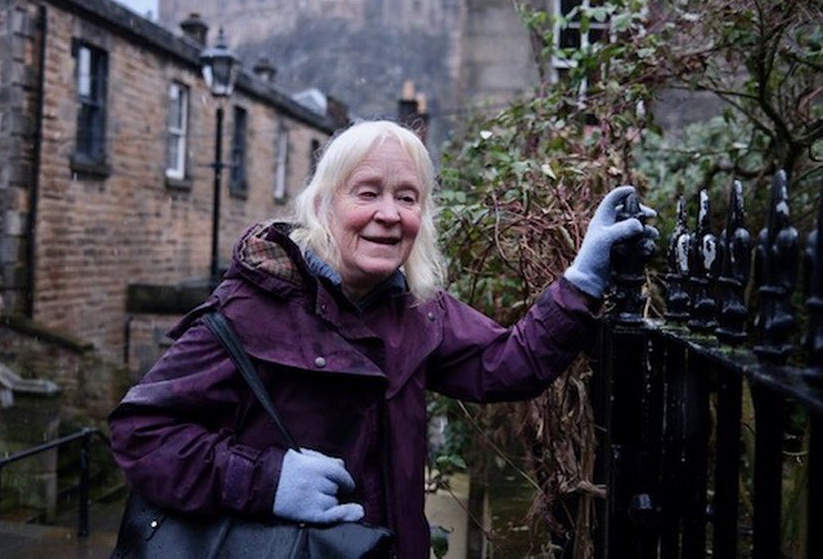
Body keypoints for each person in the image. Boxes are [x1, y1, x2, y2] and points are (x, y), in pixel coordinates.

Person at [109, 120, 655, 558]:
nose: (389, 215)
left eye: (408, 198)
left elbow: (510, 364)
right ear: (324, 205)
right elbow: (142, 434)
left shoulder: (417, 310)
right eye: (367, 193)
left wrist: (583, 278)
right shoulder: (250, 307)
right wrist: (266, 481)